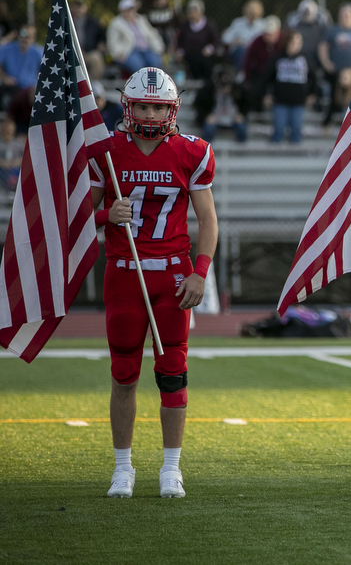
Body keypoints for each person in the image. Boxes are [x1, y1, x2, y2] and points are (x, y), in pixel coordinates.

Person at [89, 67, 218, 499]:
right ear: (128, 106)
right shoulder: (107, 150)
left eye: (157, 106)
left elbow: (208, 220)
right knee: (124, 373)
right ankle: (122, 467)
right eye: (142, 105)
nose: (149, 112)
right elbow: (77, 218)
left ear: (172, 109)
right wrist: (108, 215)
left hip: (172, 274)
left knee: (173, 372)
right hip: (124, 273)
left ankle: (171, 467)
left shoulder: (192, 152)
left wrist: (200, 271)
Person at [318, 2, 351, 125]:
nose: (345, 17)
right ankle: (328, 121)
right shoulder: (332, 30)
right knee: (333, 96)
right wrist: (326, 63)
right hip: (335, 71)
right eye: (343, 15)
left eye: (348, 15)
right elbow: (323, 47)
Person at [262, 30, 317, 144]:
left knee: (296, 130)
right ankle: (274, 157)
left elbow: (314, 78)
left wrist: (313, 94)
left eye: (298, 42)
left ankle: (296, 159)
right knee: (279, 129)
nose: (296, 45)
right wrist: (266, 94)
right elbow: (266, 78)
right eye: (293, 42)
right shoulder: (277, 58)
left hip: (298, 102)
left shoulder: (305, 59)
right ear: (287, 42)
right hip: (280, 101)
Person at [107, 0, 164, 75]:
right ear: (122, 11)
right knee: (138, 67)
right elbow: (112, 41)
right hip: (128, 51)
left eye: (133, 9)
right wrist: (118, 53)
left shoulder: (141, 20)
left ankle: (152, 86)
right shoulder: (116, 23)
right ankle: (141, 87)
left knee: (155, 63)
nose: (131, 11)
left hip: (146, 49)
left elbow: (152, 35)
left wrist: (158, 47)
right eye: (128, 9)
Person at [194, 65, 249, 143]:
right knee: (208, 129)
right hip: (215, 117)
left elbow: (247, 103)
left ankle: (241, 151)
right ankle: (207, 151)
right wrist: (206, 116)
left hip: (232, 117)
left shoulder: (238, 90)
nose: (226, 89)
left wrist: (242, 114)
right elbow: (199, 104)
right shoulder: (208, 90)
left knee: (242, 128)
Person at [242, 15, 284, 111]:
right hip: (261, 73)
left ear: (277, 32)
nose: (268, 36)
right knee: (255, 87)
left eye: (271, 34)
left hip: (279, 74)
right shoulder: (257, 41)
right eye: (266, 33)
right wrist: (247, 77)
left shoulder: (283, 42)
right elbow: (248, 60)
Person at [174, 0, 220, 82]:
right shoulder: (185, 26)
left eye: (194, 11)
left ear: (201, 12)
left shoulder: (209, 25)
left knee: (206, 63)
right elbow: (180, 41)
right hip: (189, 56)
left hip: (205, 56)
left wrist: (209, 48)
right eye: (190, 11)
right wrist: (180, 51)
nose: (191, 14)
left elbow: (216, 40)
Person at [0, 25, 43, 111]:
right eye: (23, 35)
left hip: (29, 92)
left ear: (34, 38)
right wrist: (4, 77)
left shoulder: (39, 52)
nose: (25, 39)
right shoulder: (7, 49)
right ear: (18, 35)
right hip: (11, 89)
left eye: (29, 36)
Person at [70, 0, 107, 81]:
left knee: (97, 59)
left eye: (80, 6)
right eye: (76, 6)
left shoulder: (92, 21)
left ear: (85, 8)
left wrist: (101, 43)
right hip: (72, 52)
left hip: (89, 51)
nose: (78, 9)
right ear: (72, 7)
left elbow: (102, 34)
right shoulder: (66, 21)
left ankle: (93, 84)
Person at [221, 0, 266, 68]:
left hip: (255, 51)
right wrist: (235, 41)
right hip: (239, 51)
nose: (252, 12)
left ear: (260, 12)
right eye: (250, 10)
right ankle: (241, 73)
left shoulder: (263, 25)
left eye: (255, 10)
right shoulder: (237, 23)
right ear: (246, 10)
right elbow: (225, 38)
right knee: (242, 50)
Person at [0, 117, 24, 192]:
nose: (8, 134)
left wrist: (17, 161)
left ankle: (14, 186)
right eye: (6, 132)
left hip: (15, 169)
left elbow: (24, 158)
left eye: (10, 132)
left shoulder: (18, 144)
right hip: (2, 169)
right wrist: (2, 162)